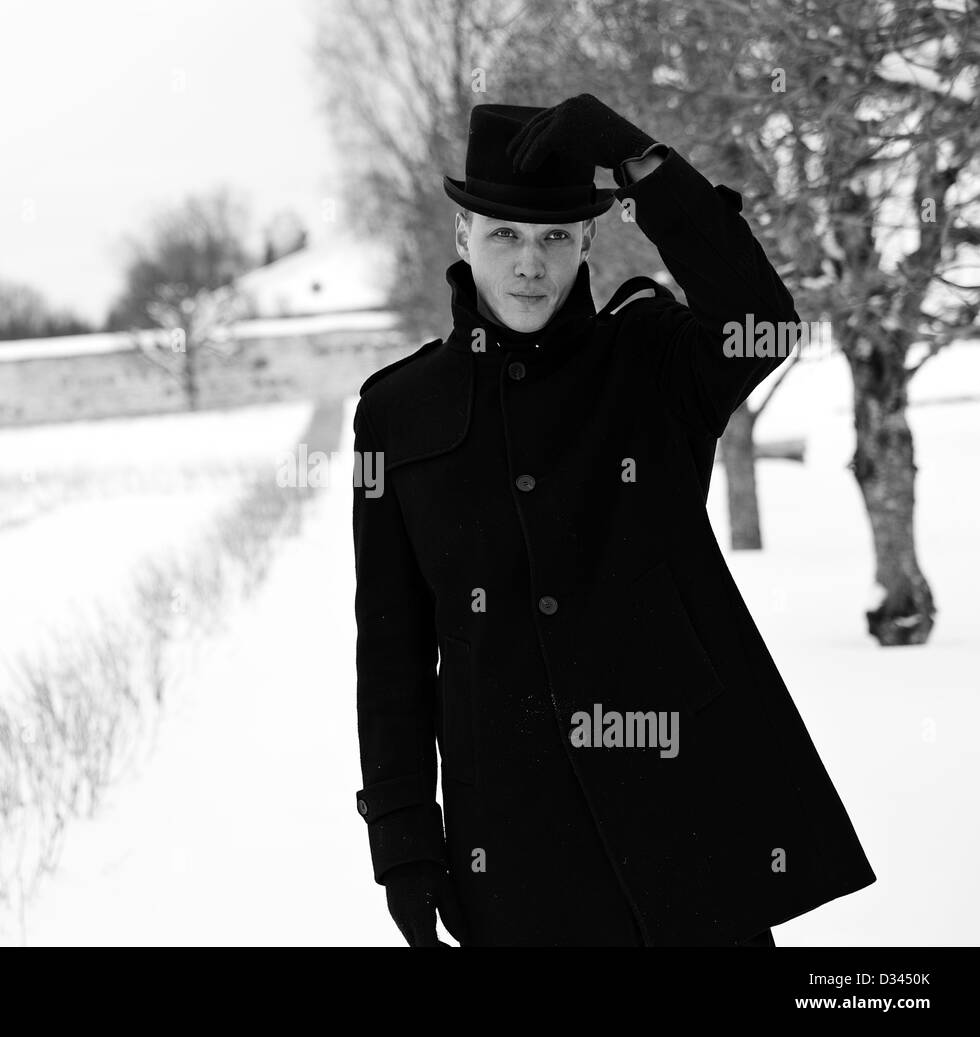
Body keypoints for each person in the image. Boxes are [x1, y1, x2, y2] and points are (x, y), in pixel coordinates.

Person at [350, 96, 876, 947]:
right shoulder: (398, 413)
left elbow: (762, 322)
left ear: (588, 242)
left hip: (687, 819)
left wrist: (644, 164)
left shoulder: (651, 360)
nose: (531, 264)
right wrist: (404, 844)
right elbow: (393, 649)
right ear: (463, 237)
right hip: (514, 849)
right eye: (505, 236)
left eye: (556, 236)